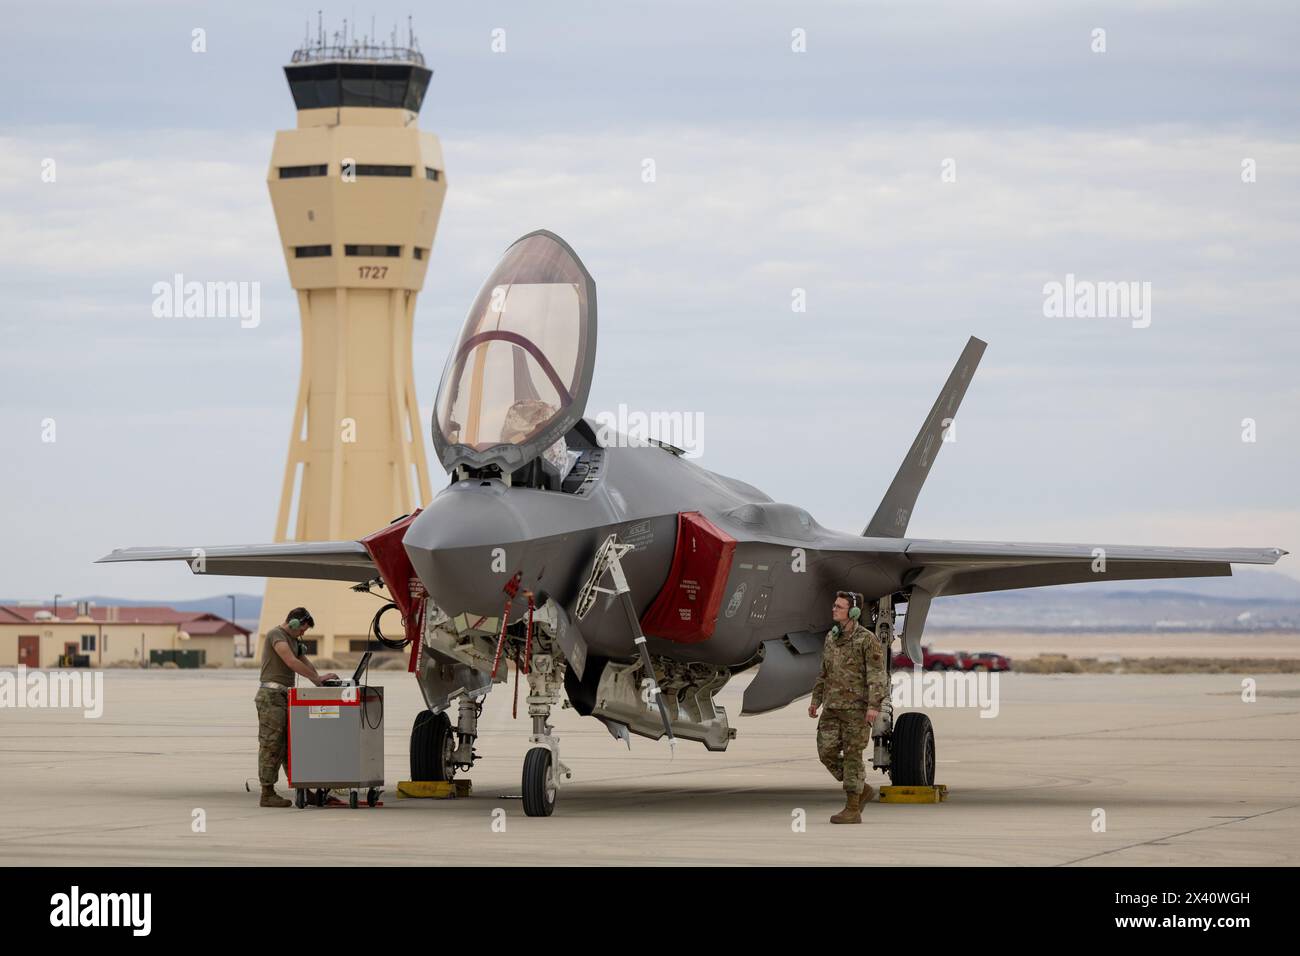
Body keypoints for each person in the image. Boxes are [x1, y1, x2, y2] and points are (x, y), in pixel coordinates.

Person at [808, 591, 888, 824]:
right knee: (826, 752)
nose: (834, 609)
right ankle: (861, 788)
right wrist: (816, 700)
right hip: (832, 707)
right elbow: (824, 672)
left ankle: (852, 807)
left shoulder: (866, 640)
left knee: (853, 756)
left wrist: (874, 705)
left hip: (856, 709)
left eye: (839, 606)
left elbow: (877, 675)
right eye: (834, 605)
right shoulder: (831, 638)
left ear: (853, 612)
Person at [255, 607, 338, 807]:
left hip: (285, 696)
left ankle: (303, 789)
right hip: (271, 696)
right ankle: (267, 793)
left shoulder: (294, 641)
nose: (303, 633)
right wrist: (316, 679)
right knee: (272, 744)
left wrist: (320, 680)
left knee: (289, 746)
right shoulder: (277, 635)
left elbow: (304, 661)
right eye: (302, 629)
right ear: (293, 623)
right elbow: (291, 662)